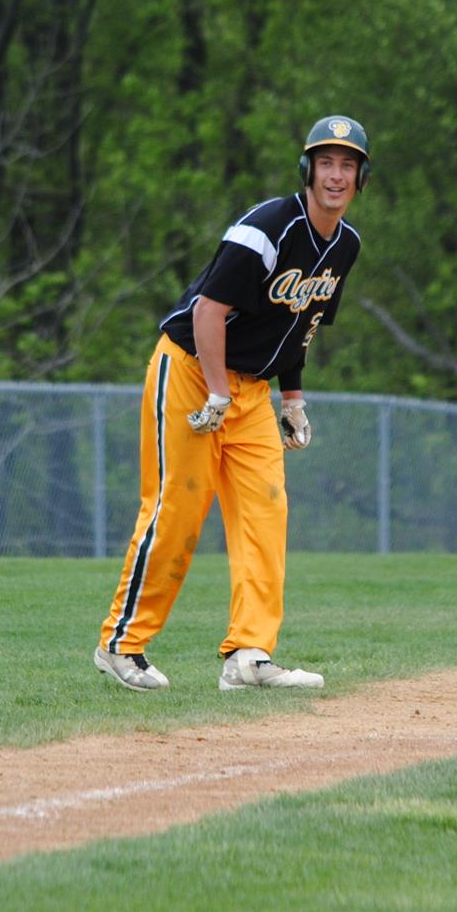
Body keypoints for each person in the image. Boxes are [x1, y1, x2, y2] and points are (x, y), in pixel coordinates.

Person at [94, 115, 370, 692]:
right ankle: (122, 645)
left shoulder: (345, 246)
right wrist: (218, 390)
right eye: (327, 162)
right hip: (192, 369)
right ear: (308, 169)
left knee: (266, 514)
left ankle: (249, 656)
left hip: (252, 392)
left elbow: (302, 324)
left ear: (360, 177)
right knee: (178, 508)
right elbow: (206, 313)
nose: (336, 175)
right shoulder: (267, 227)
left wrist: (292, 399)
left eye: (348, 164)